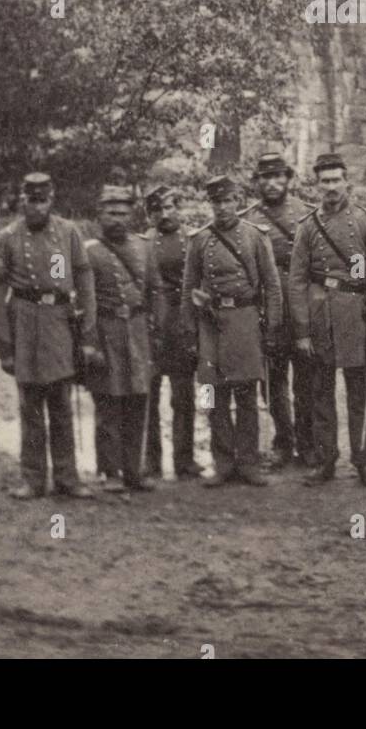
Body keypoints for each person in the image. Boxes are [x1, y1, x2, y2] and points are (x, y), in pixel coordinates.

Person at [0, 171, 99, 500]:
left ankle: (67, 477)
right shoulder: (7, 238)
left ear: (51, 201)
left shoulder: (68, 233)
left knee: (61, 404)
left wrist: (87, 333)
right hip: (25, 323)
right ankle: (33, 478)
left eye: (42, 200)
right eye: (30, 200)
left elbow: (84, 281)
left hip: (60, 324)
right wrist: (5, 346)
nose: (35, 208)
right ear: (21, 200)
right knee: (30, 405)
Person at [288, 152, 366, 487]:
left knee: (359, 392)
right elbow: (297, 280)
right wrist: (302, 330)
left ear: (346, 181)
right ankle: (325, 460)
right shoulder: (307, 227)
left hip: (354, 315)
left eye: (336, 180)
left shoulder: (363, 222)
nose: (330, 187)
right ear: (317, 185)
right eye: (324, 181)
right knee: (321, 392)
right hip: (320, 317)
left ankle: (364, 460)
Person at [181, 175, 282, 488]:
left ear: (238, 201)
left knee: (247, 394)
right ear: (210, 204)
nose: (222, 208)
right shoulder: (199, 240)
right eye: (216, 202)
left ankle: (249, 462)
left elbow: (272, 285)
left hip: (245, 319)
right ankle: (223, 462)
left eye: (228, 201)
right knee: (214, 394)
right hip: (211, 323)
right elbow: (188, 289)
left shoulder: (254, 236)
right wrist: (191, 332)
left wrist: (272, 327)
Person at [241, 152, 314, 469]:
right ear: (257, 182)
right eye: (265, 178)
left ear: (288, 179)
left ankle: (309, 444)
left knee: (307, 381)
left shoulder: (308, 215)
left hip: (303, 308)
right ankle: (284, 441)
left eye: (277, 177)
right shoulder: (248, 219)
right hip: (266, 310)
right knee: (272, 382)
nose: (271, 184)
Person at [85, 185, 158, 495]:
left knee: (138, 400)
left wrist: (156, 335)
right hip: (107, 331)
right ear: (100, 215)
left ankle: (133, 470)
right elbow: (83, 301)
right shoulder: (89, 251)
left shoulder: (144, 248)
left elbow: (155, 293)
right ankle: (109, 471)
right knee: (109, 403)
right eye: (111, 213)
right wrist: (89, 342)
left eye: (123, 213)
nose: (117, 219)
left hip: (138, 332)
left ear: (132, 215)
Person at [143, 185, 202, 479]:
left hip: (182, 324)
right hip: (154, 325)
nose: (165, 215)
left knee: (183, 395)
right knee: (149, 395)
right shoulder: (143, 244)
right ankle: (150, 460)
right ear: (150, 214)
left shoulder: (193, 241)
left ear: (179, 208)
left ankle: (184, 459)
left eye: (170, 208)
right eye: (158, 210)